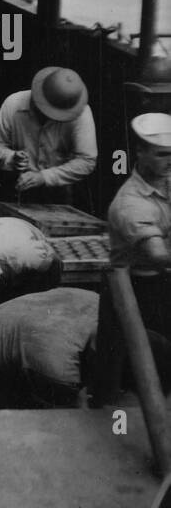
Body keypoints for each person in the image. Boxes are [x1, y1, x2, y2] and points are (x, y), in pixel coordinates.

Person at [0, 67, 97, 205]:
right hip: (15, 187)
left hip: (58, 193)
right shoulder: (13, 103)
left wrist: (44, 177)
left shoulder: (81, 113)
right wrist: (11, 158)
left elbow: (86, 161)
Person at [106, 112, 171, 341]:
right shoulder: (130, 203)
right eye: (162, 154)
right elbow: (158, 255)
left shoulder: (166, 178)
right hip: (137, 290)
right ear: (140, 152)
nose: (169, 161)